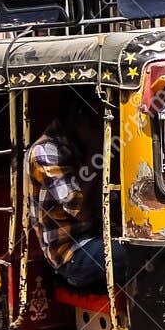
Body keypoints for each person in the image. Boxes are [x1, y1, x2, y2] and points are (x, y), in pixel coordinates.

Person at [28, 112, 106, 291]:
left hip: (98, 238)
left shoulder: (79, 145)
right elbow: (80, 210)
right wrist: (97, 151)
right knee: (133, 256)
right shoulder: (45, 151)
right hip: (71, 255)